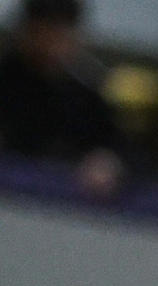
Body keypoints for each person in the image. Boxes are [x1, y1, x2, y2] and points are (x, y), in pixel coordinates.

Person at [0, 0, 123, 179]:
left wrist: (108, 160)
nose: (52, 44)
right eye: (45, 32)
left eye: (61, 34)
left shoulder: (83, 96)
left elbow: (120, 149)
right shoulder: (5, 79)